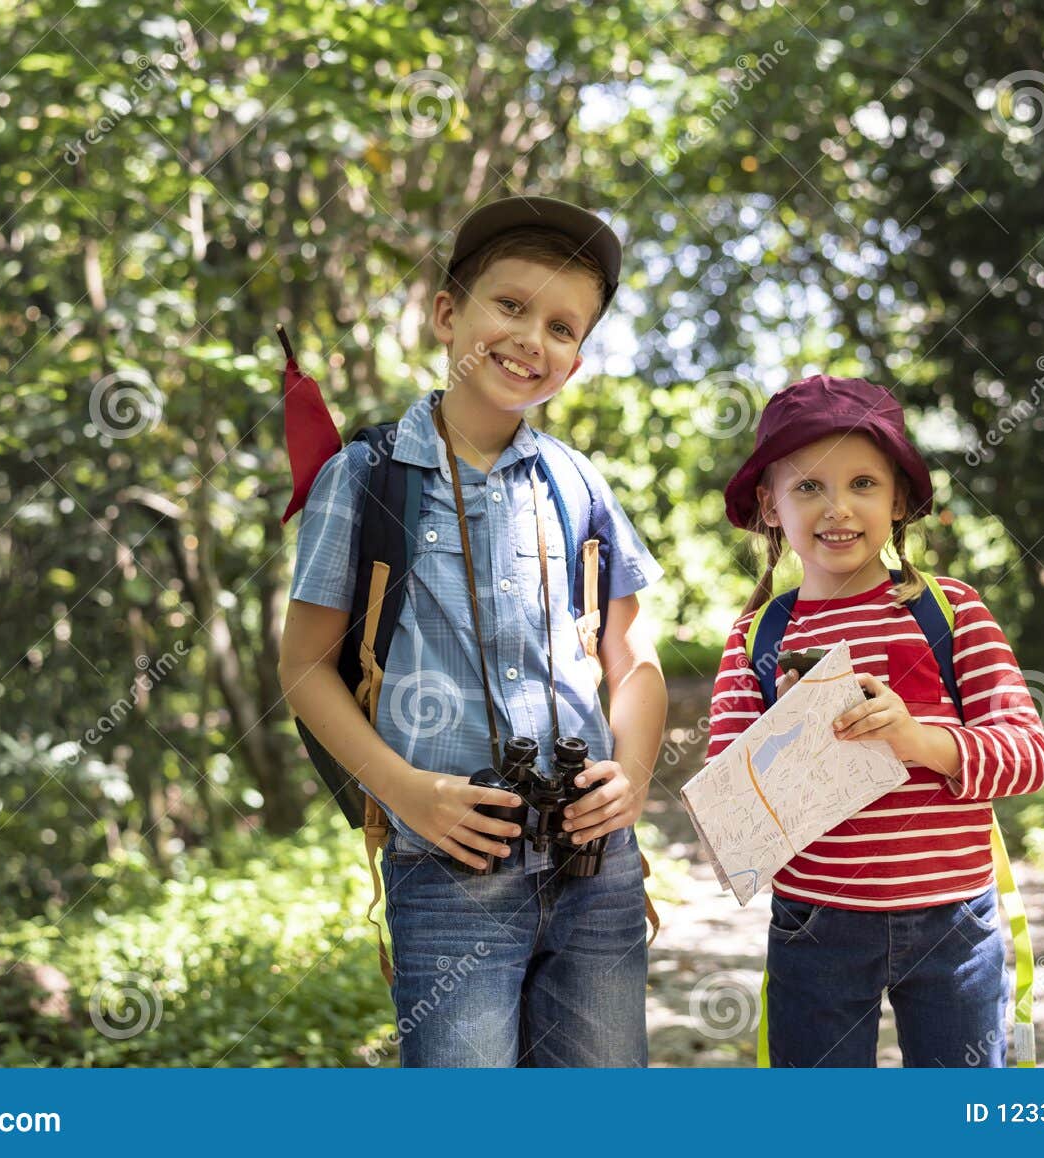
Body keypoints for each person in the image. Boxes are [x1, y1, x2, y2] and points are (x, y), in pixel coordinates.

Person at [278, 196, 666, 1067]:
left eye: (563, 326)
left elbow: (632, 658)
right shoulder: (365, 477)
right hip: (446, 872)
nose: (533, 338)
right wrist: (404, 792)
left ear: (576, 358)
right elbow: (303, 668)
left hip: (595, 870)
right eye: (511, 306)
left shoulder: (579, 485)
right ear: (449, 312)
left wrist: (634, 776)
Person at [707, 374, 1044, 1067]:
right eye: (808, 487)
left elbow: (1028, 755)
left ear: (897, 499)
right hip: (815, 922)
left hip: (953, 920)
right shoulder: (757, 638)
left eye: (863, 483)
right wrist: (789, 748)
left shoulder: (950, 612)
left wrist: (916, 740)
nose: (838, 508)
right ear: (770, 507)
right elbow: (730, 806)